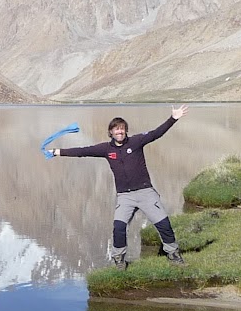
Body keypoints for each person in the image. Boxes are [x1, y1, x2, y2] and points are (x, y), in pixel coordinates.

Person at [50, 105, 188, 268]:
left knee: (163, 224)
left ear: (126, 130)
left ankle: (173, 254)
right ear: (111, 133)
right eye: (116, 130)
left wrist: (173, 118)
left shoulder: (137, 141)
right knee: (119, 228)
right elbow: (82, 151)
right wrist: (57, 151)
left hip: (145, 192)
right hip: (125, 196)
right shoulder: (106, 149)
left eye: (122, 129)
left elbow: (156, 133)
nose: (119, 132)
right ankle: (119, 260)